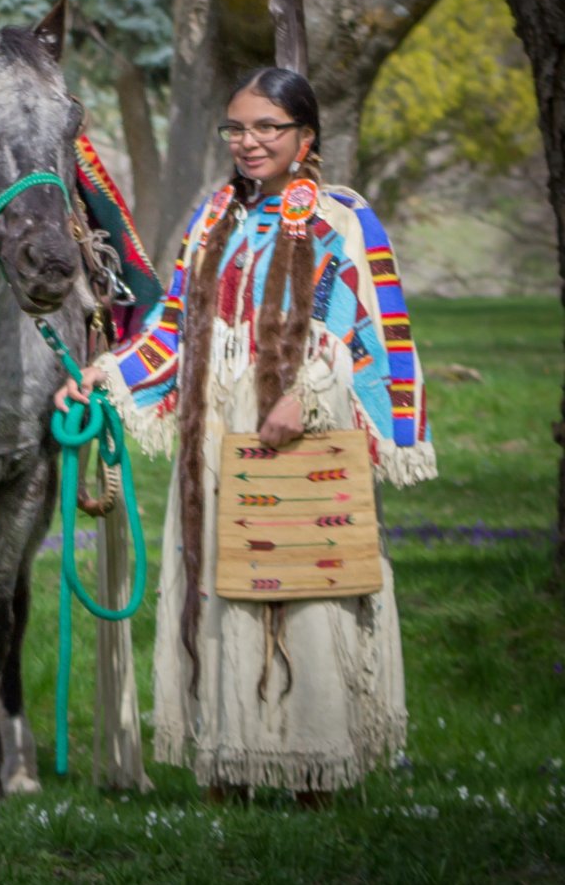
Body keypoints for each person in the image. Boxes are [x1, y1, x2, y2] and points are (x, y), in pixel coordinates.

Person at [60, 64, 434, 805]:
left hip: (299, 435)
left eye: (269, 127)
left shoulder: (340, 220)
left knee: (304, 589)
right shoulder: (211, 220)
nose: (249, 141)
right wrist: (103, 376)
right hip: (216, 438)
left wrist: (307, 393)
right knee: (219, 584)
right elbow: (172, 327)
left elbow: (360, 324)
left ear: (306, 135)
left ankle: (313, 769)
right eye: (238, 127)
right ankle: (230, 760)